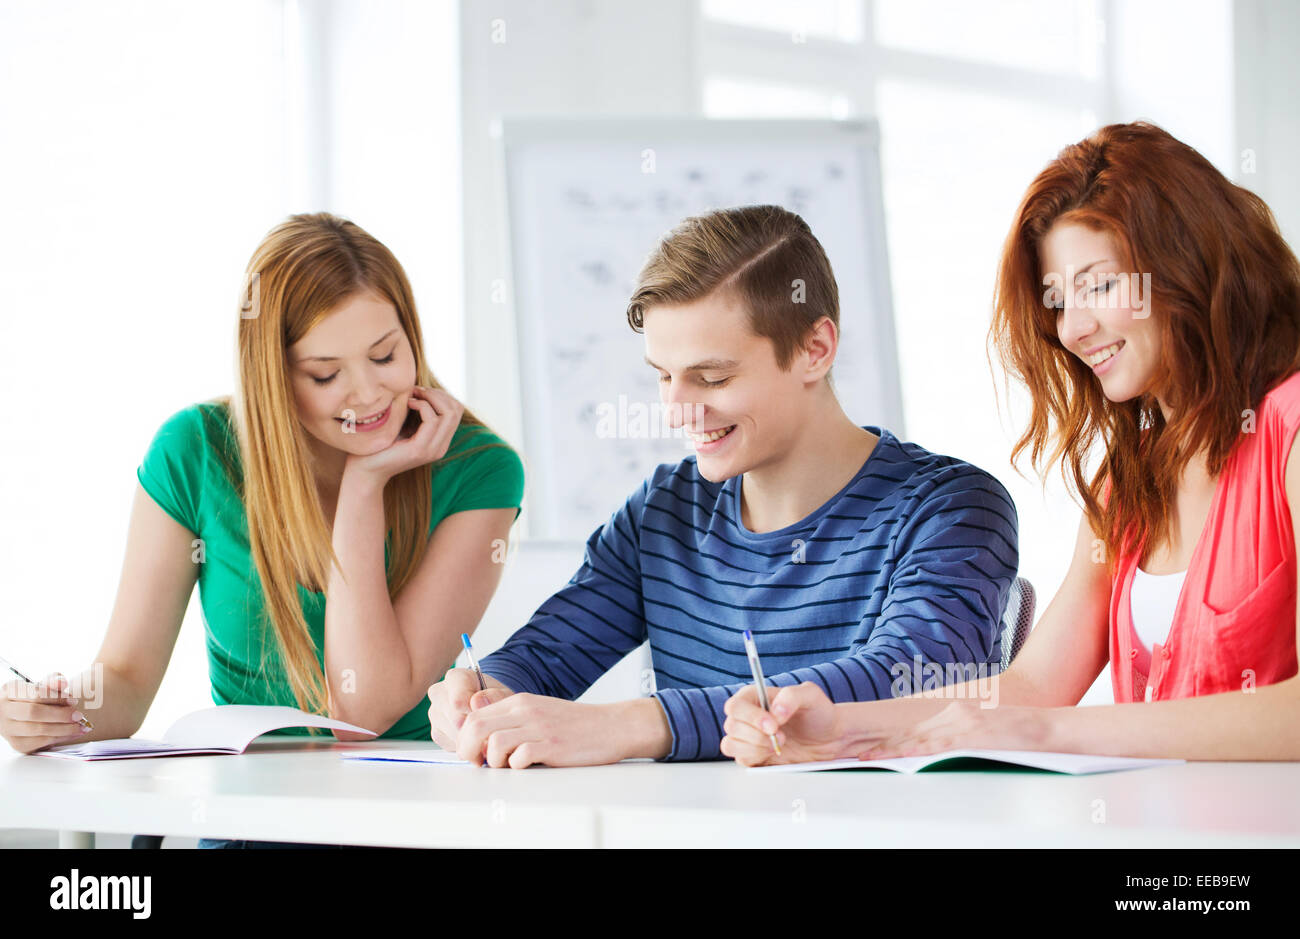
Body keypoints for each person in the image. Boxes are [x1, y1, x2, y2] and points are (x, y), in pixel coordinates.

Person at [721, 122, 1300, 766]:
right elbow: (1032, 687)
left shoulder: (1289, 426)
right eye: (1057, 300)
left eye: (1100, 286)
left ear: (1191, 264)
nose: (1074, 329)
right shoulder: (1128, 482)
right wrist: (840, 729)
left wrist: (1041, 735)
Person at [426, 204, 1019, 766]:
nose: (677, 409)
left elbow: (912, 680)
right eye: (663, 376)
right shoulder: (664, 511)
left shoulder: (953, 509)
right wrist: (484, 693)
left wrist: (634, 725)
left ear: (815, 349)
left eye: (711, 377)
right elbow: (547, 655)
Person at [0, 213, 525, 844]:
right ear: (271, 375)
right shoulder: (194, 452)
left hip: (403, 822)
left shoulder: (480, 470)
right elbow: (127, 683)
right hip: (247, 822)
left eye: (386, 355)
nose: (369, 393)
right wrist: (60, 713)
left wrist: (365, 486)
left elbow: (365, 706)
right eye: (326, 374)